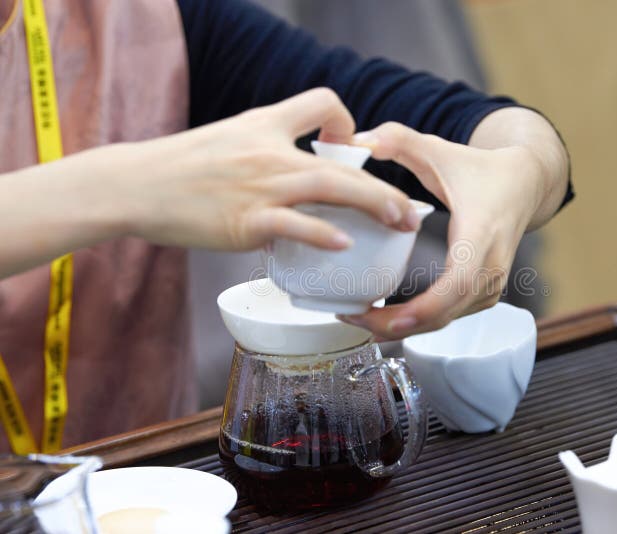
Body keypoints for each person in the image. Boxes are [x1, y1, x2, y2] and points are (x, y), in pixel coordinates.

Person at [0, 0, 571, 452]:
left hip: (149, 492)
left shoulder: (147, 21)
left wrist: (525, 166)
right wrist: (125, 185)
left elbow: (471, 126)